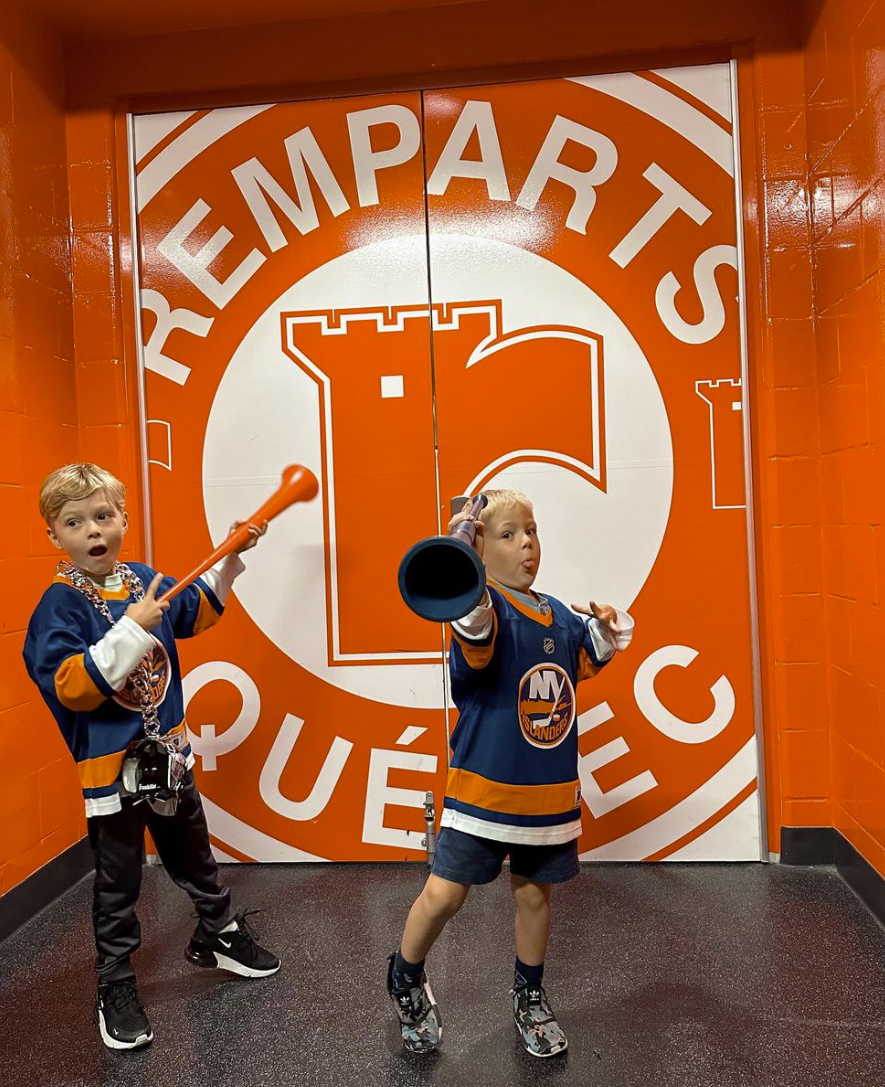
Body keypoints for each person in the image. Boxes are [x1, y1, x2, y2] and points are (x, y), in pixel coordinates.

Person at [23, 463, 281, 1051]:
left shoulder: (143, 579)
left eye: (104, 516)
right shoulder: (58, 606)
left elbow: (195, 611)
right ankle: (115, 981)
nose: (93, 530)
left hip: (168, 755)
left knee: (194, 852)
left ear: (123, 519)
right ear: (53, 536)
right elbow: (73, 686)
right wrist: (132, 631)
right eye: (74, 521)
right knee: (118, 879)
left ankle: (216, 931)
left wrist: (228, 557)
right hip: (113, 771)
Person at [387, 489, 634, 1057]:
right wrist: (461, 568)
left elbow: (580, 663)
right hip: (483, 793)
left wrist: (604, 629)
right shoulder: (482, 612)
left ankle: (529, 995)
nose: (526, 543)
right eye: (508, 534)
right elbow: (474, 631)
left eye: (532, 530)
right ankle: (404, 975)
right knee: (444, 895)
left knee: (533, 896)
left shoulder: (557, 612)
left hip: (547, 797)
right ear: (479, 551)